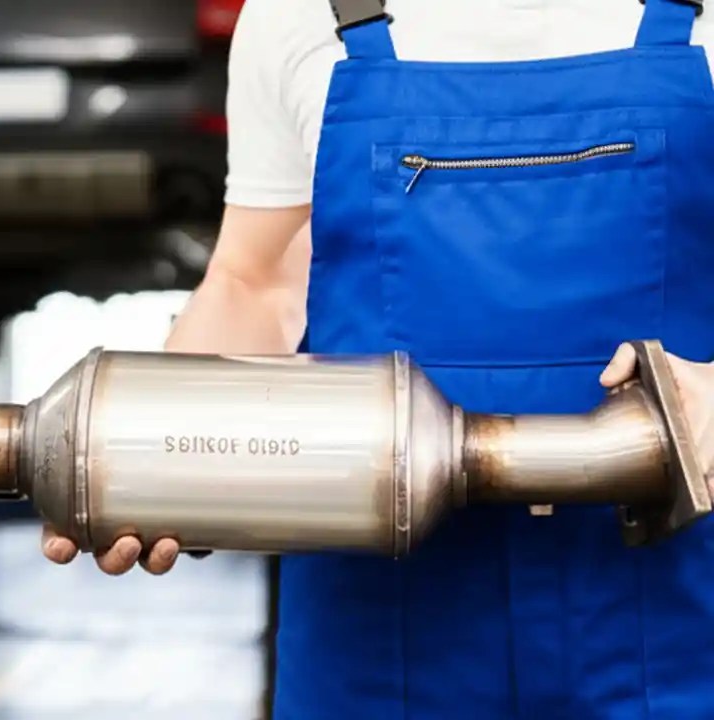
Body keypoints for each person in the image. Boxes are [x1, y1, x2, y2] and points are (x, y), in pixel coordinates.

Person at [42, 0, 714, 717]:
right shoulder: (297, 16)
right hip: (374, 637)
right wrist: (142, 452)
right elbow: (258, 279)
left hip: (672, 620)